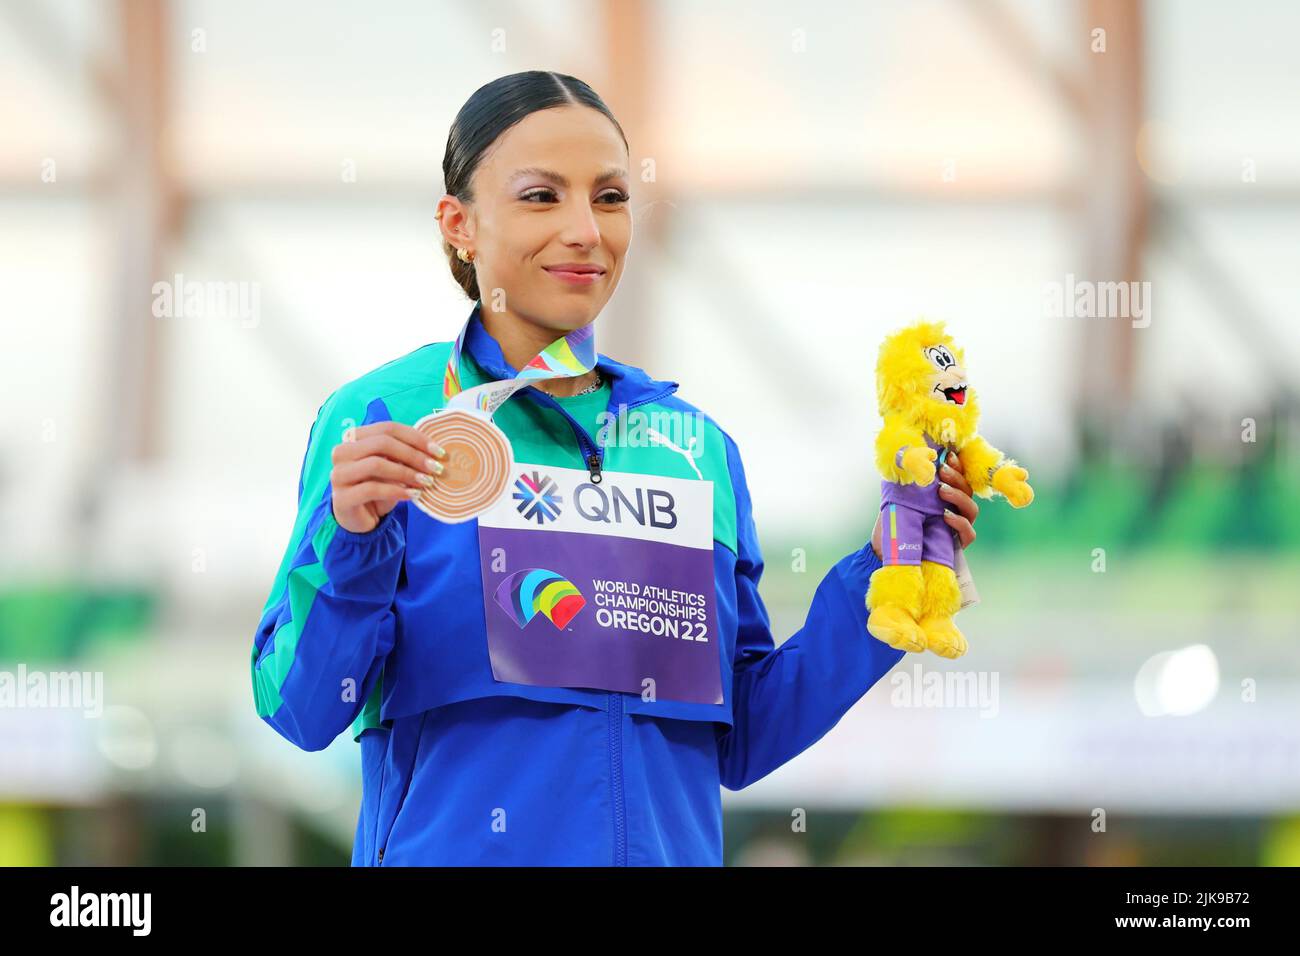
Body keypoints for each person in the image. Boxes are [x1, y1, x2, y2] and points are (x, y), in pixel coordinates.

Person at [249, 70, 981, 866]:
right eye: (540, 196)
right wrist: (353, 542)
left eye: (609, 196)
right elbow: (303, 710)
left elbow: (742, 736)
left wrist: (887, 572)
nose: (584, 231)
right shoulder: (384, 417)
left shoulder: (695, 446)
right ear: (458, 223)